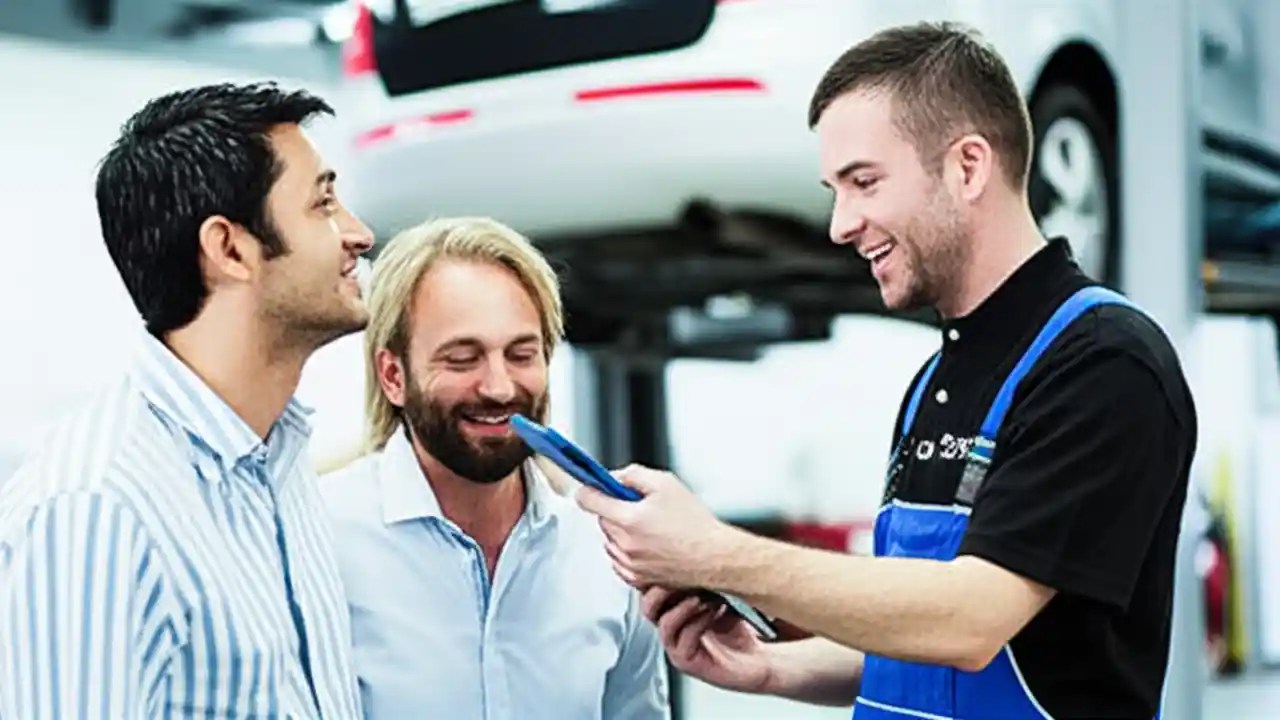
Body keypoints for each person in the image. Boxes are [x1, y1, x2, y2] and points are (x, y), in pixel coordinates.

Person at [575, 21, 1198, 720]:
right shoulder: (936, 380)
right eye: (834, 189)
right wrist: (769, 666)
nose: (840, 224)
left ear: (968, 167)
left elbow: (969, 623)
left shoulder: (1103, 363)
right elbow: (918, 636)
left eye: (863, 182)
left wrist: (711, 551)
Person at [0, 82, 373, 719]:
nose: (358, 235)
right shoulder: (98, 510)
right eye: (324, 204)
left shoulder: (276, 467)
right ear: (229, 249)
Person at [317, 216, 670, 720]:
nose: (500, 387)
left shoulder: (610, 552)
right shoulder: (318, 538)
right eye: (463, 359)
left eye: (522, 354)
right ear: (393, 376)